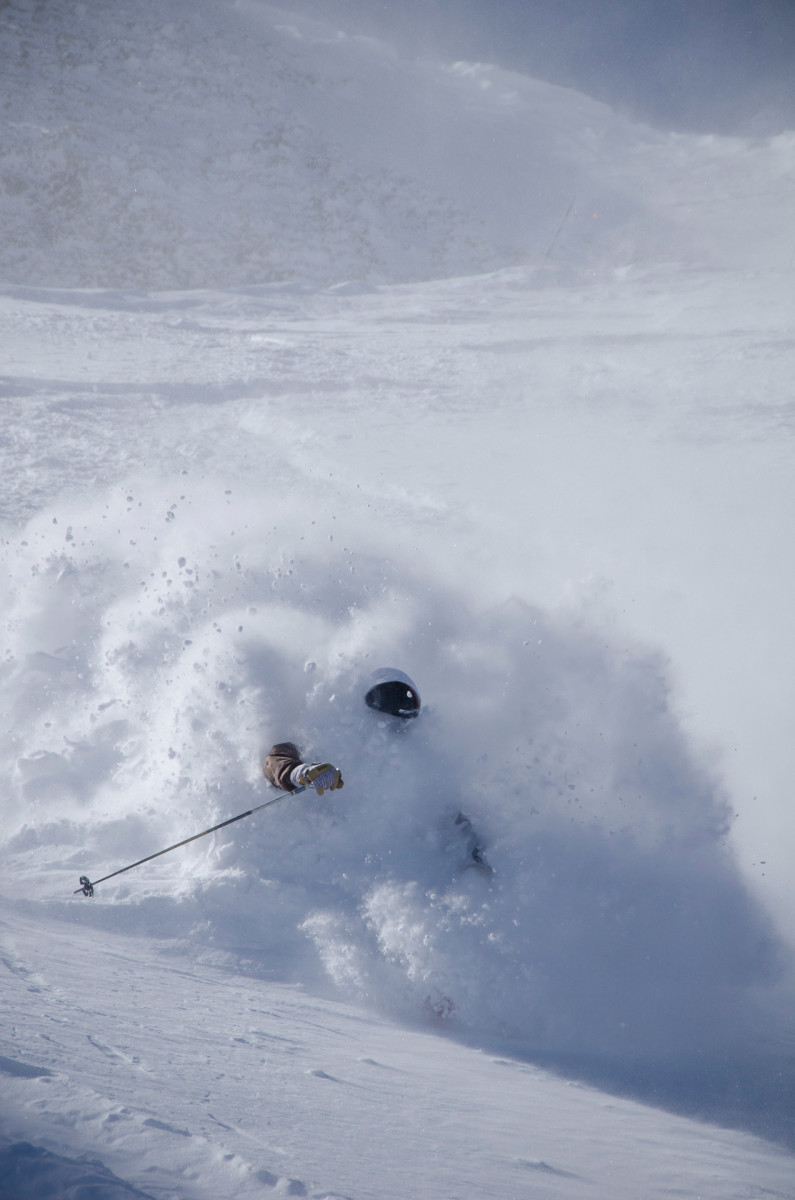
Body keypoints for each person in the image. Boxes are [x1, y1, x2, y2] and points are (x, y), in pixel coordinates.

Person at [262, 668, 490, 873]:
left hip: (383, 871)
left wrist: (474, 856)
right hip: (322, 864)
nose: (389, 725)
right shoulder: (329, 738)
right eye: (382, 708)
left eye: (399, 722)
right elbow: (276, 760)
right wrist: (301, 773)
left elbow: (448, 817)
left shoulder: (415, 770)